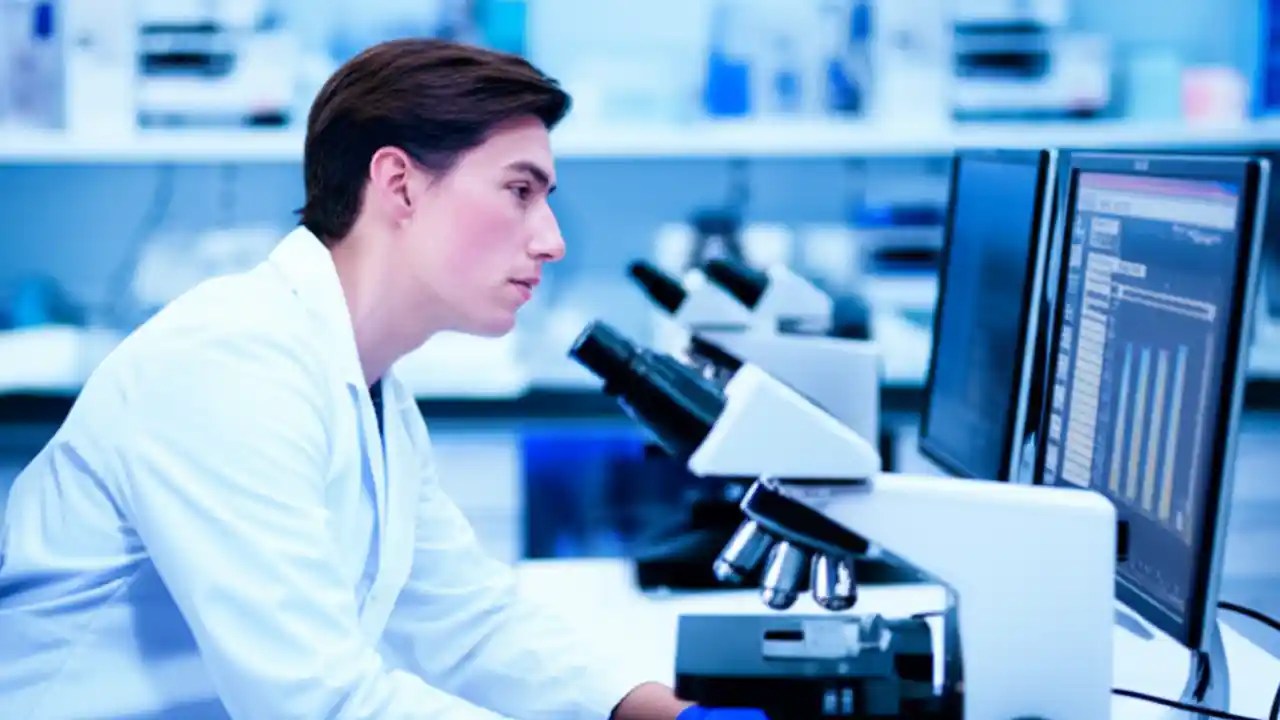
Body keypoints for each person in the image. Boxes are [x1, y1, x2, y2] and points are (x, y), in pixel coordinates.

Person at [0, 39, 765, 719]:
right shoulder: (227, 366)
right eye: (520, 191)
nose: (552, 241)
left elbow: (468, 621)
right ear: (399, 183)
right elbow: (318, 703)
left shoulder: (371, 391)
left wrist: (657, 713)